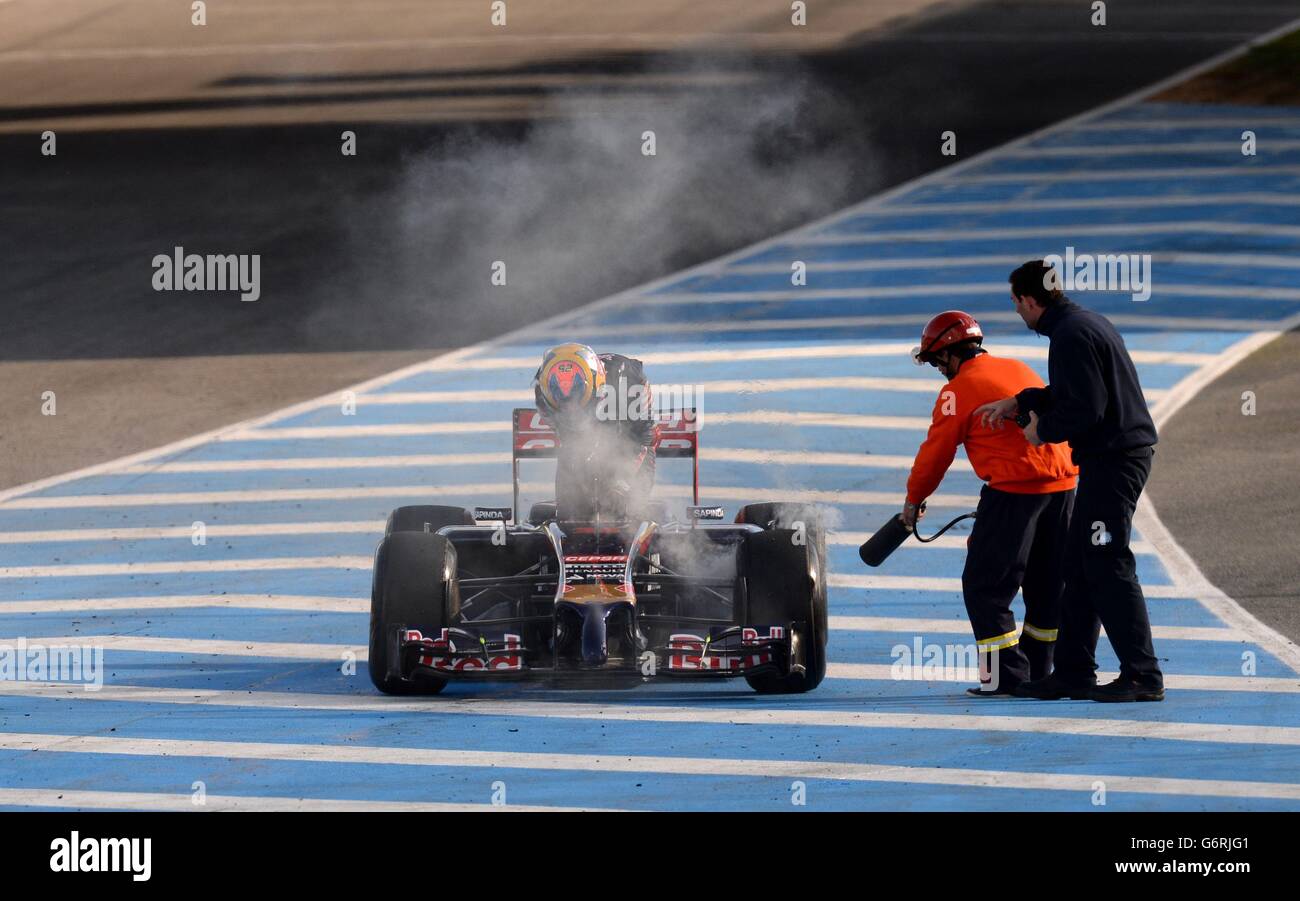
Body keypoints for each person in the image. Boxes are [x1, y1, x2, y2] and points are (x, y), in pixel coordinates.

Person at [975, 261, 1164, 702]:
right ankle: (1074, 671)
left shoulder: (1070, 336)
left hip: (1113, 461)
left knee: (1108, 563)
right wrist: (1021, 400)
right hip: (1111, 458)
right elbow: (1073, 392)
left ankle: (1143, 675)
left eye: (1015, 303)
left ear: (1027, 299)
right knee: (1078, 565)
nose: (1017, 313)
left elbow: (1086, 409)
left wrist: (1041, 430)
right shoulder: (1086, 323)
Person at [904, 311, 1078, 695]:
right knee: (1047, 585)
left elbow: (936, 454)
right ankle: (1037, 672)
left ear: (949, 354)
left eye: (936, 361)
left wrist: (914, 500)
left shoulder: (957, 391)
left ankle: (1005, 677)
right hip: (1064, 487)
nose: (938, 370)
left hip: (1015, 493)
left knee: (985, 587)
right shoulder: (1017, 368)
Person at [532, 343, 656, 520]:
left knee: (628, 509)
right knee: (569, 514)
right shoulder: (542, 394)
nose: (571, 403)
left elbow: (644, 439)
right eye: (560, 392)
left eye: (574, 391)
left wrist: (621, 479)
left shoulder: (632, 381)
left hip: (632, 448)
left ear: (596, 385)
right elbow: (572, 442)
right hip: (580, 448)